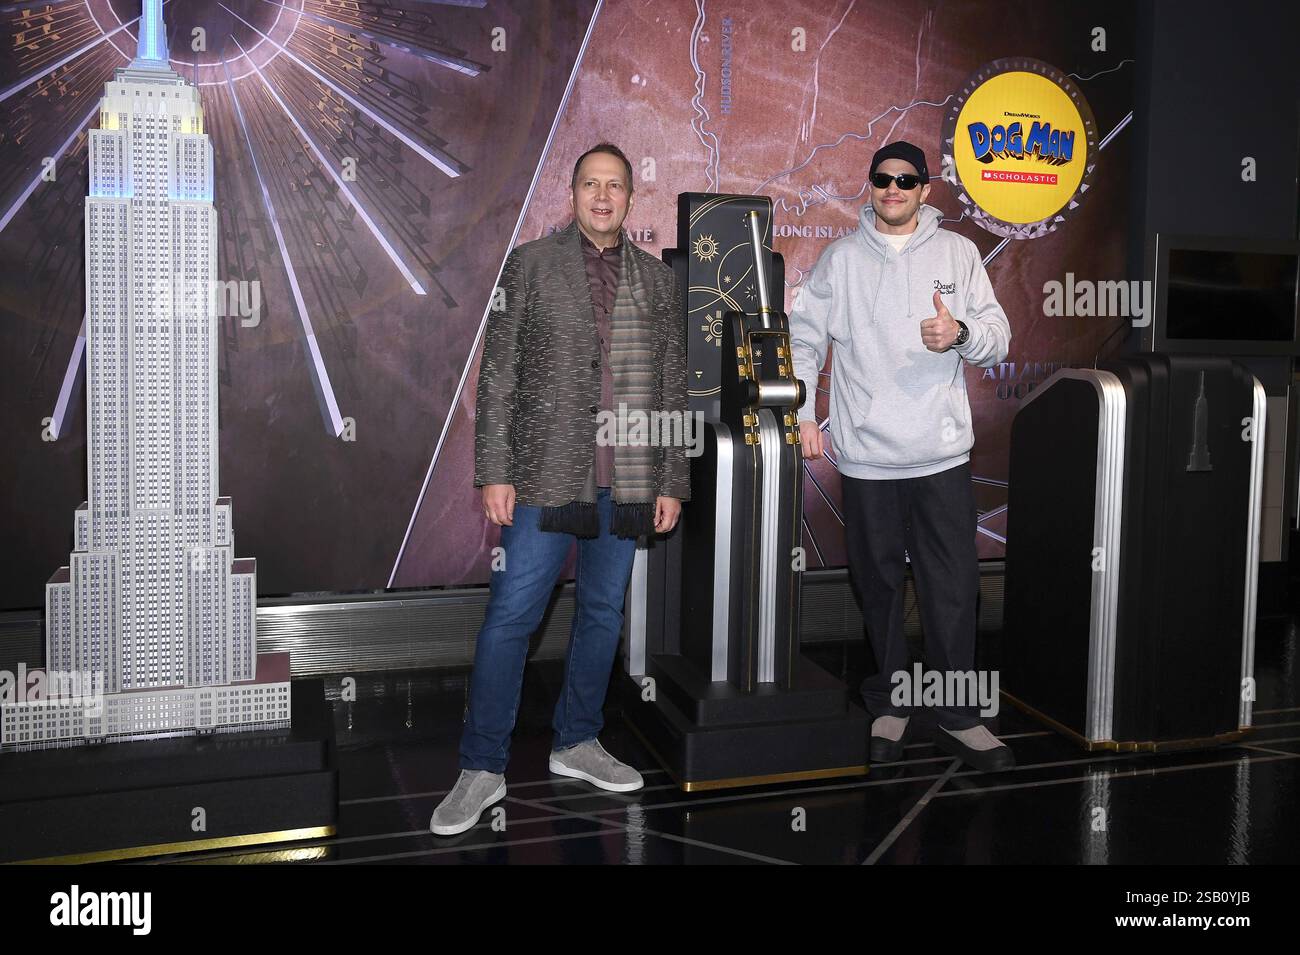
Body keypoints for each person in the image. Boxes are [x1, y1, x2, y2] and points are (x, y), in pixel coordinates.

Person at [431, 143, 690, 835]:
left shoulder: (657, 281)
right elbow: (499, 374)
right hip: (546, 474)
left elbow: (669, 384)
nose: (602, 196)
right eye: (590, 184)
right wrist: (495, 470)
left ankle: (577, 740)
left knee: (603, 611)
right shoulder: (531, 264)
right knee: (512, 615)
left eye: (615, 186)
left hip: (626, 479)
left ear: (632, 198)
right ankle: (481, 766)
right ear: (571, 192)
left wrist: (671, 480)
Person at [789, 140, 1015, 773]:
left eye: (906, 180)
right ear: (872, 186)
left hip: (940, 455)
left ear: (925, 190)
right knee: (879, 585)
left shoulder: (959, 254)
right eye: (883, 179)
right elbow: (802, 341)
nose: (893, 188)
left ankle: (959, 713)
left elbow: (998, 337)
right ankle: (891, 700)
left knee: (953, 586)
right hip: (866, 460)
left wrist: (961, 333)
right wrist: (804, 416)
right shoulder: (838, 260)